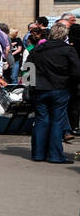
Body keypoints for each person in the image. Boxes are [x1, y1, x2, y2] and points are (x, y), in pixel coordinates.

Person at [25, 21, 80, 163]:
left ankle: (38, 153)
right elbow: (76, 71)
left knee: (41, 120)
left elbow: (27, 67)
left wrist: (30, 85)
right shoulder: (67, 50)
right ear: (64, 35)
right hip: (59, 88)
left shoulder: (39, 48)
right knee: (57, 121)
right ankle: (55, 155)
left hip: (40, 88)